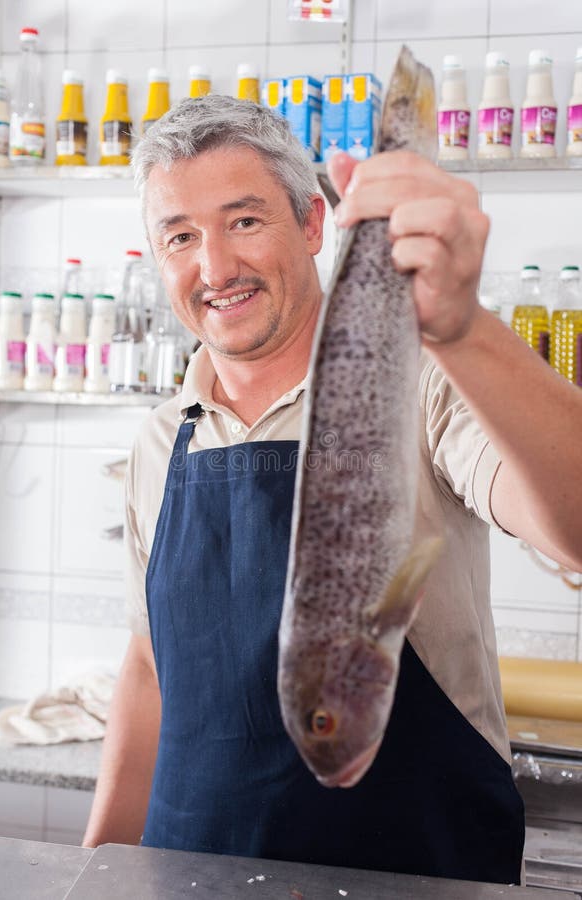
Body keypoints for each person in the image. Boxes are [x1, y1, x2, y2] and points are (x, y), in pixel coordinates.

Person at [83, 95, 582, 883]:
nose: (214, 269)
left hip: (418, 875)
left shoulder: (425, 386)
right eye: (180, 236)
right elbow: (149, 669)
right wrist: (96, 867)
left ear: (313, 224)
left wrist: (463, 330)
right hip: (194, 875)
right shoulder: (162, 436)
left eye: (244, 221)